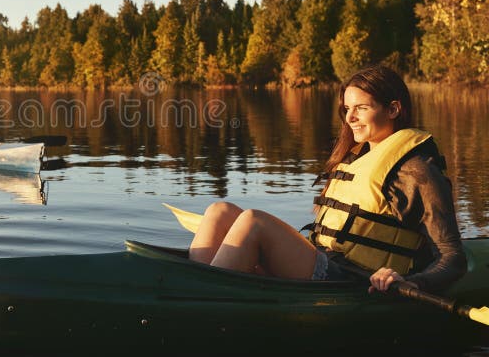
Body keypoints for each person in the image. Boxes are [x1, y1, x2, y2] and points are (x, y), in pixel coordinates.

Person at [189, 65, 466, 293]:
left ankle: (201, 303)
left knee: (254, 222)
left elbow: (452, 257)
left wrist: (411, 282)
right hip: (325, 259)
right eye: (346, 109)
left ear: (393, 109)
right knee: (219, 211)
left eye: (361, 108)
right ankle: (192, 292)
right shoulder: (357, 157)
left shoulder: (416, 170)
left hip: (353, 280)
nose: (350, 118)